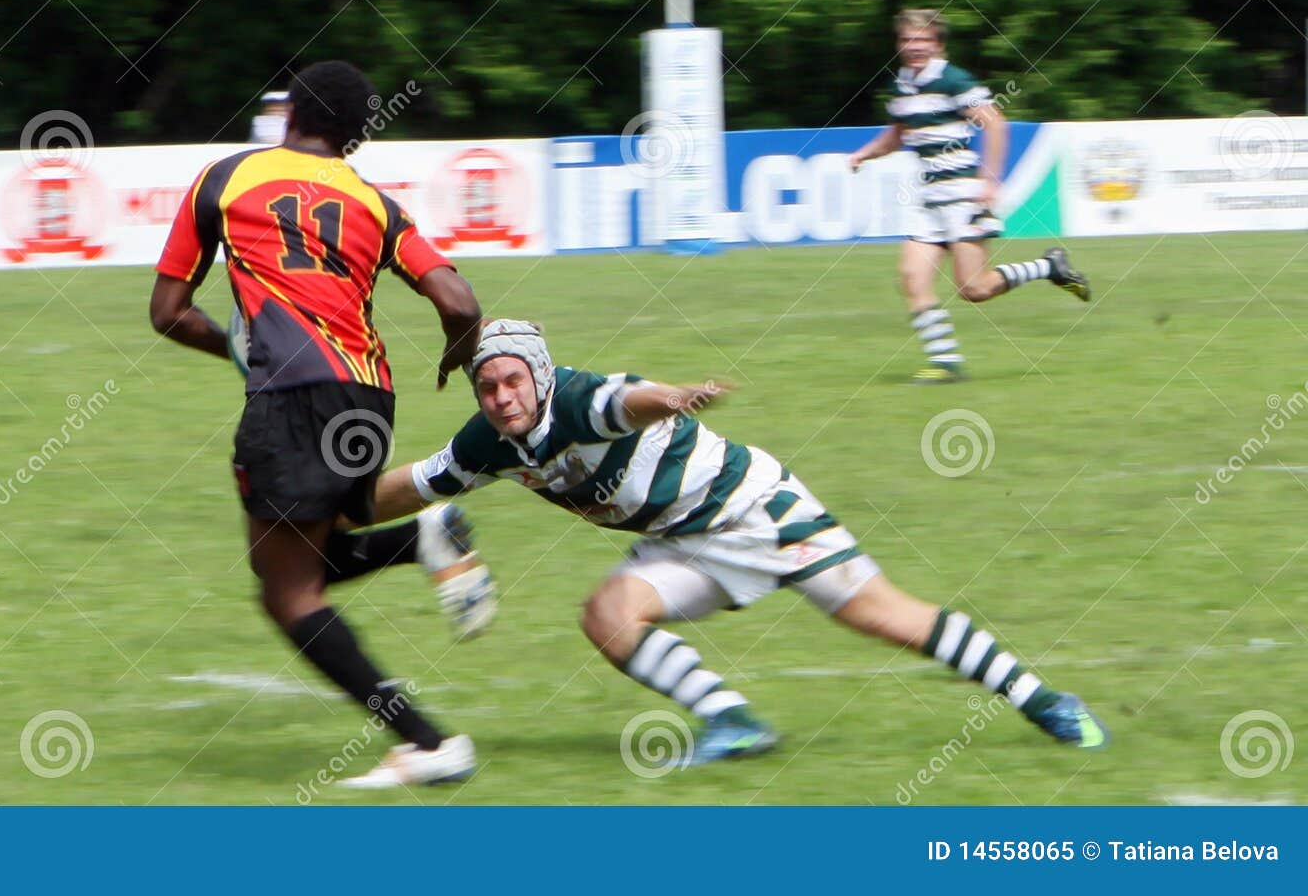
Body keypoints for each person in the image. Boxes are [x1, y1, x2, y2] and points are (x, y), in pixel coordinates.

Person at [370, 320, 1109, 767]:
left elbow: (626, 399)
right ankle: (735, 722)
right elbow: (415, 484)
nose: (500, 396)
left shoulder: (574, 398)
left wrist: (674, 396)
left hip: (754, 509)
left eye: (510, 380)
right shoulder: (487, 442)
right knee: (607, 614)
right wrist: (325, 507)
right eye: (487, 386)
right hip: (680, 542)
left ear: (537, 372)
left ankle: (1042, 698)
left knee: (885, 616)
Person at [150, 59, 487, 789]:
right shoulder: (376, 204)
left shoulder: (225, 178)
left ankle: (428, 743)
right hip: (368, 398)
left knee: (287, 590)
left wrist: (236, 347)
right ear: (357, 137)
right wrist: (454, 357)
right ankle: (421, 536)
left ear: (288, 113)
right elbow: (460, 302)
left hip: (291, 396)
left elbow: (169, 312)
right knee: (303, 555)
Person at [850, 9, 1090, 384]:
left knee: (973, 289)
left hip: (963, 195)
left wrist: (990, 179)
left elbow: (994, 122)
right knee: (912, 279)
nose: (914, 47)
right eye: (907, 40)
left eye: (923, 40)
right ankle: (945, 365)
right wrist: (865, 153)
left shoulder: (952, 79)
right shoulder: (901, 85)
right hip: (930, 198)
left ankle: (1049, 267)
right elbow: (898, 134)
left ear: (938, 44)